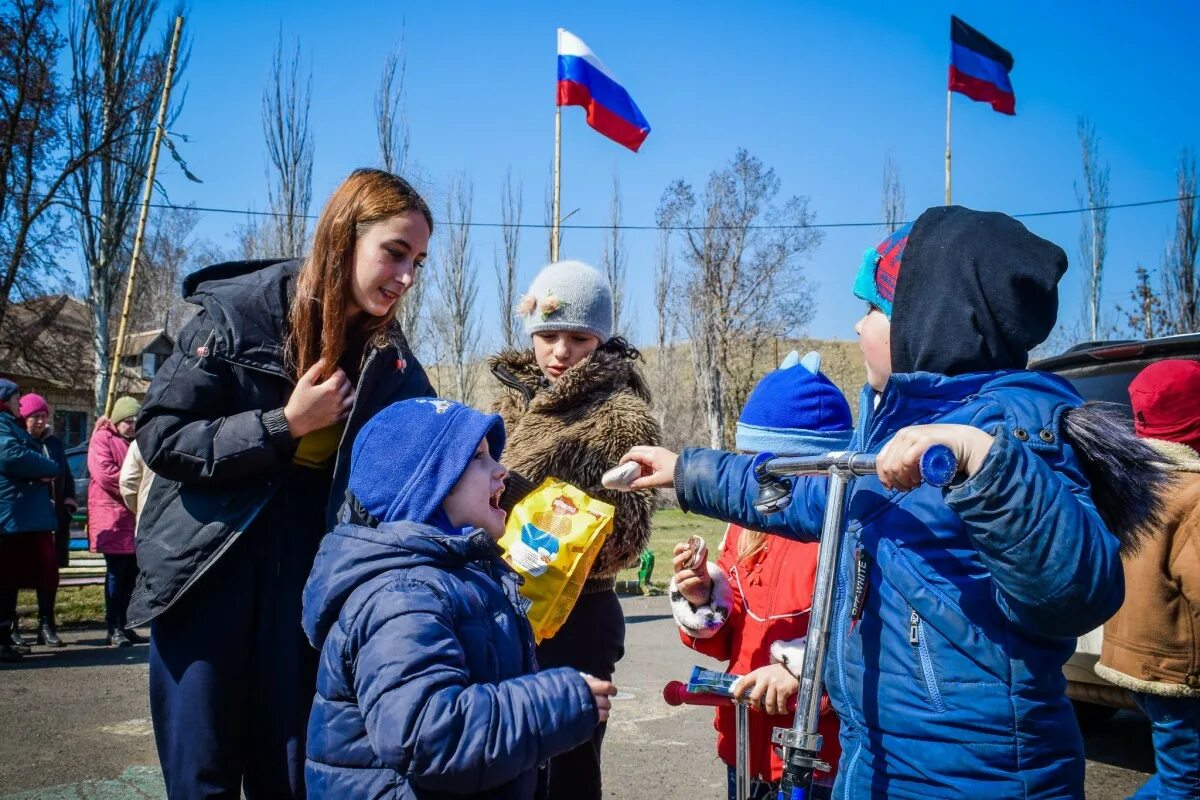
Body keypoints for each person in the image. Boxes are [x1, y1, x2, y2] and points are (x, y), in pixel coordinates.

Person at [621, 206, 1167, 798]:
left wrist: (981, 461)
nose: (856, 327)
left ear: (930, 319)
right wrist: (686, 470)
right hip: (879, 759)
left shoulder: (1009, 432)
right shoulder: (895, 434)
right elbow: (808, 494)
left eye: (873, 308)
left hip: (975, 779)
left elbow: (1077, 590)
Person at [132, 168, 437, 799]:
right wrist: (284, 424)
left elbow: (432, 450)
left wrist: (507, 486)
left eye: (418, 262)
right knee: (202, 773)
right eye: (395, 253)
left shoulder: (390, 353)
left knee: (293, 774)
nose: (406, 277)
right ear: (343, 238)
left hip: (306, 575)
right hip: (209, 564)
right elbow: (161, 436)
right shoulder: (238, 313)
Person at [303, 398, 613, 799]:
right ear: (427, 484)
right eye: (479, 457)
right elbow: (427, 733)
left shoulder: (455, 576)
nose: (502, 469)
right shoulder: (403, 597)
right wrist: (560, 703)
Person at [488, 259, 660, 800]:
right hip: (504, 603)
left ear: (601, 339)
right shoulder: (509, 398)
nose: (561, 352)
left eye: (579, 337)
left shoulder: (623, 415)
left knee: (566, 772)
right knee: (502, 762)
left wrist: (545, 520)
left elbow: (629, 537)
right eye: (549, 335)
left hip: (578, 614)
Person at [670, 352, 845, 800]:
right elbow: (730, 637)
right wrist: (703, 597)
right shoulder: (744, 529)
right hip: (745, 742)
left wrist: (807, 678)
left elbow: (859, 638)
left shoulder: (842, 532)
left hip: (818, 754)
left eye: (765, 467)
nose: (752, 484)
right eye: (745, 464)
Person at [1095, 359, 1200, 799]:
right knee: (1186, 781)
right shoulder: (1192, 495)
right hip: (1178, 669)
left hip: (1131, 658)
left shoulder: (1129, 485)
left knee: (1182, 774)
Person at [0, 380, 59, 663]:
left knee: (11, 579)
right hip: (10, 516)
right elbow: (12, 457)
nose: (17, 404)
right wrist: (46, 468)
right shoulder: (3, 427)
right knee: (5, 581)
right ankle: (3, 641)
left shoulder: (8, 426)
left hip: (20, 518)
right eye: (14, 399)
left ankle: (7, 639)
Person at [20, 393, 77, 647]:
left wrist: (69, 498)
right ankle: (12, 627)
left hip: (54, 521)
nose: (41, 421)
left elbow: (65, 472)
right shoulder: (20, 442)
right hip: (27, 520)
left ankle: (46, 624)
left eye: (43, 416)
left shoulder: (54, 443)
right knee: (18, 575)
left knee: (49, 574)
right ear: (24, 419)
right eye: (35, 417)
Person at [88, 396, 140, 647]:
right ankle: (114, 626)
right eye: (128, 421)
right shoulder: (101, 439)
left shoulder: (137, 442)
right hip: (112, 516)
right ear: (117, 421)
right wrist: (135, 485)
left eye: (135, 421)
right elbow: (105, 474)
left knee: (131, 574)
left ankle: (126, 624)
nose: (133, 425)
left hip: (133, 517)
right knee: (117, 574)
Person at [119, 438, 153, 520]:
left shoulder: (141, 442)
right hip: (186, 519)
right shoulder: (188, 439)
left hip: (149, 516)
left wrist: (139, 509)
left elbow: (127, 483)